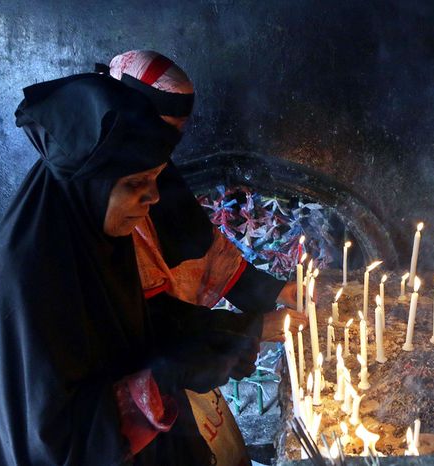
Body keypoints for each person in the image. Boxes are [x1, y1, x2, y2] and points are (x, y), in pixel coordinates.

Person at [0, 72, 257, 464]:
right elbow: (57, 446)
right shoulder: (30, 289)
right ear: (89, 187)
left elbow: (121, 336)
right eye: (136, 183)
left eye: (157, 178)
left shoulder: (90, 243)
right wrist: (164, 376)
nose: (153, 196)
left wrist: (206, 334)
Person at [101, 50, 306, 465]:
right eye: (162, 132)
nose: (154, 189)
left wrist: (280, 289)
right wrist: (252, 328)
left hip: (177, 362)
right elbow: (153, 319)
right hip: (139, 388)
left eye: (177, 133)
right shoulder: (109, 199)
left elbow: (208, 251)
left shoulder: (158, 179)